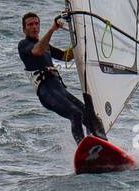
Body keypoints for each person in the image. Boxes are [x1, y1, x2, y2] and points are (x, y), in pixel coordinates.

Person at [17, 11, 103, 142]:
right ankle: (83, 146)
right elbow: (37, 50)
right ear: (24, 29)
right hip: (47, 92)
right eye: (30, 24)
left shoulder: (46, 46)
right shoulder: (23, 45)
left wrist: (82, 42)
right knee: (75, 114)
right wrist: (53, 29)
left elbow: (66, 56)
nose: (34, 27)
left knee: (89, 115)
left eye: (36, 23)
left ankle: (101, 141)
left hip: (60, 90)